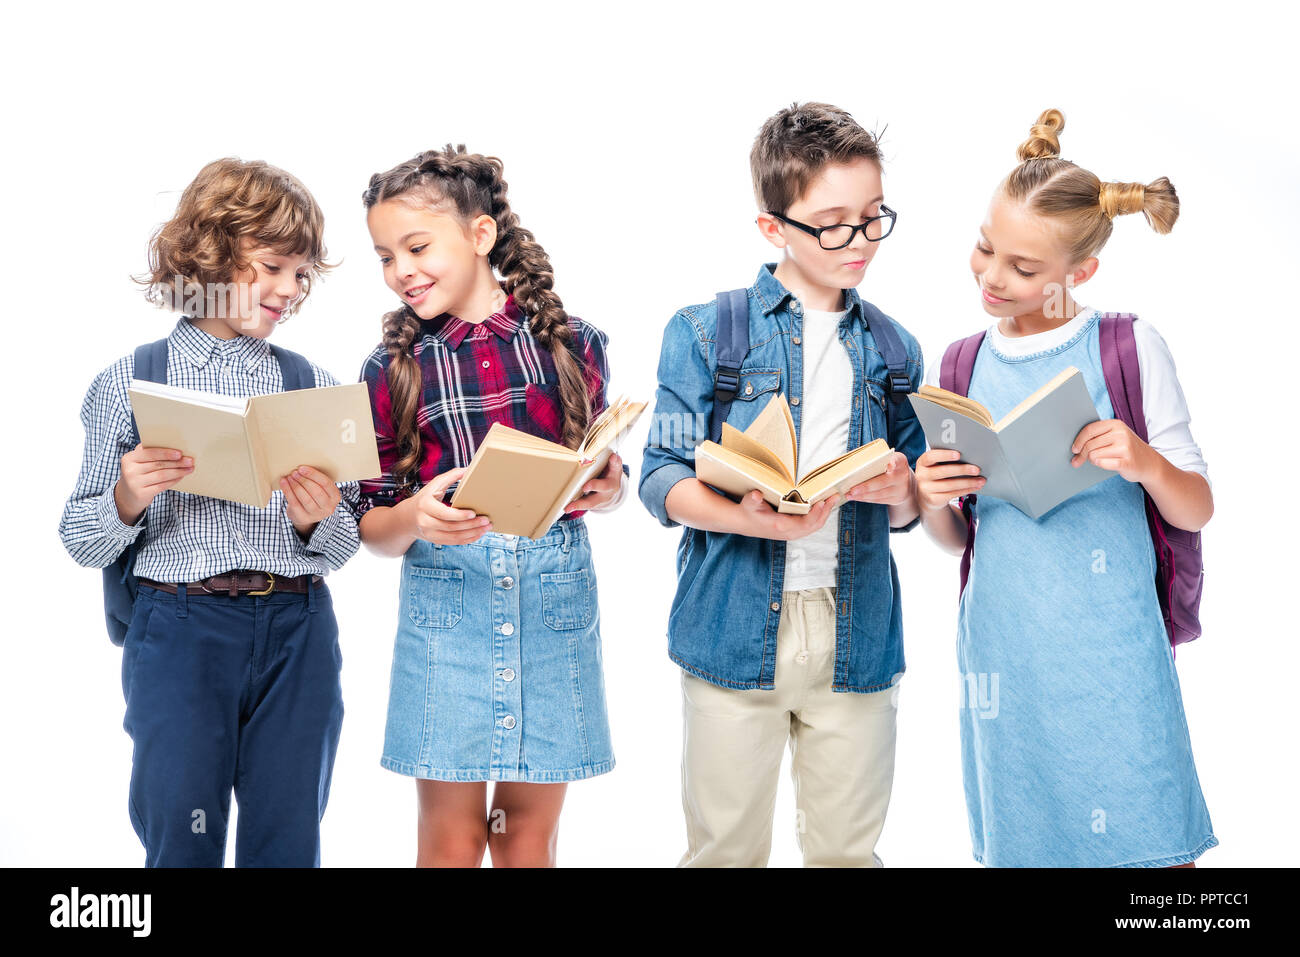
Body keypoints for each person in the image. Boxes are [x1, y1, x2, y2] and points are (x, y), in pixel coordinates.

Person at [914, 109, 1217, 867]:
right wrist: (930, 497)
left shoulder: (1127, 345)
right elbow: (961, 538)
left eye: (1023, 268)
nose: (992, 276)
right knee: (1028, 841)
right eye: (985, 247)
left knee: (1150, 841)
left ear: (1079, 274)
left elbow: (1197, 506)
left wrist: (1145, 462)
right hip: (1004, 650)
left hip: (1114, 647)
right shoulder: (959, 363)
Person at [638, 102, 925, 867]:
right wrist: (757, 519)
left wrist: (901, 489)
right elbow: (660, 476)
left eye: (873, 217)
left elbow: (911, 507)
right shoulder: (707, 332)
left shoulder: (896, 349)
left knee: (846, 853)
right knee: (725, 850)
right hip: (732, 625)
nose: (859, 241)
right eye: (832, 225)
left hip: (856, 632)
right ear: (773, 227)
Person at [58, 157, 359, 866]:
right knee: (183, 837)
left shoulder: (312, 385)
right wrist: (128, 496)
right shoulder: (128, 382)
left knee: (288, 840)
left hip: (299, 628)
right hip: (180, 630)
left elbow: (345, 541)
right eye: (273, 266)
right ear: (212, 254)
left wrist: (316, 518)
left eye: (301, 274)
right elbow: (79, 537)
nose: (289, 289)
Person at [355, 145, 628, 867]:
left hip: (551, 602)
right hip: (448, 607)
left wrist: (609, 487)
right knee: (452, 840)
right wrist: (414, 516)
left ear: (481, 234)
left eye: (417, 247)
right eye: (385, 256)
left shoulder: (573, 344)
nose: (401, 270)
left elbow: (601, 475)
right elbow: (372, 527)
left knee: (524, 838)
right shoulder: (390, 370)